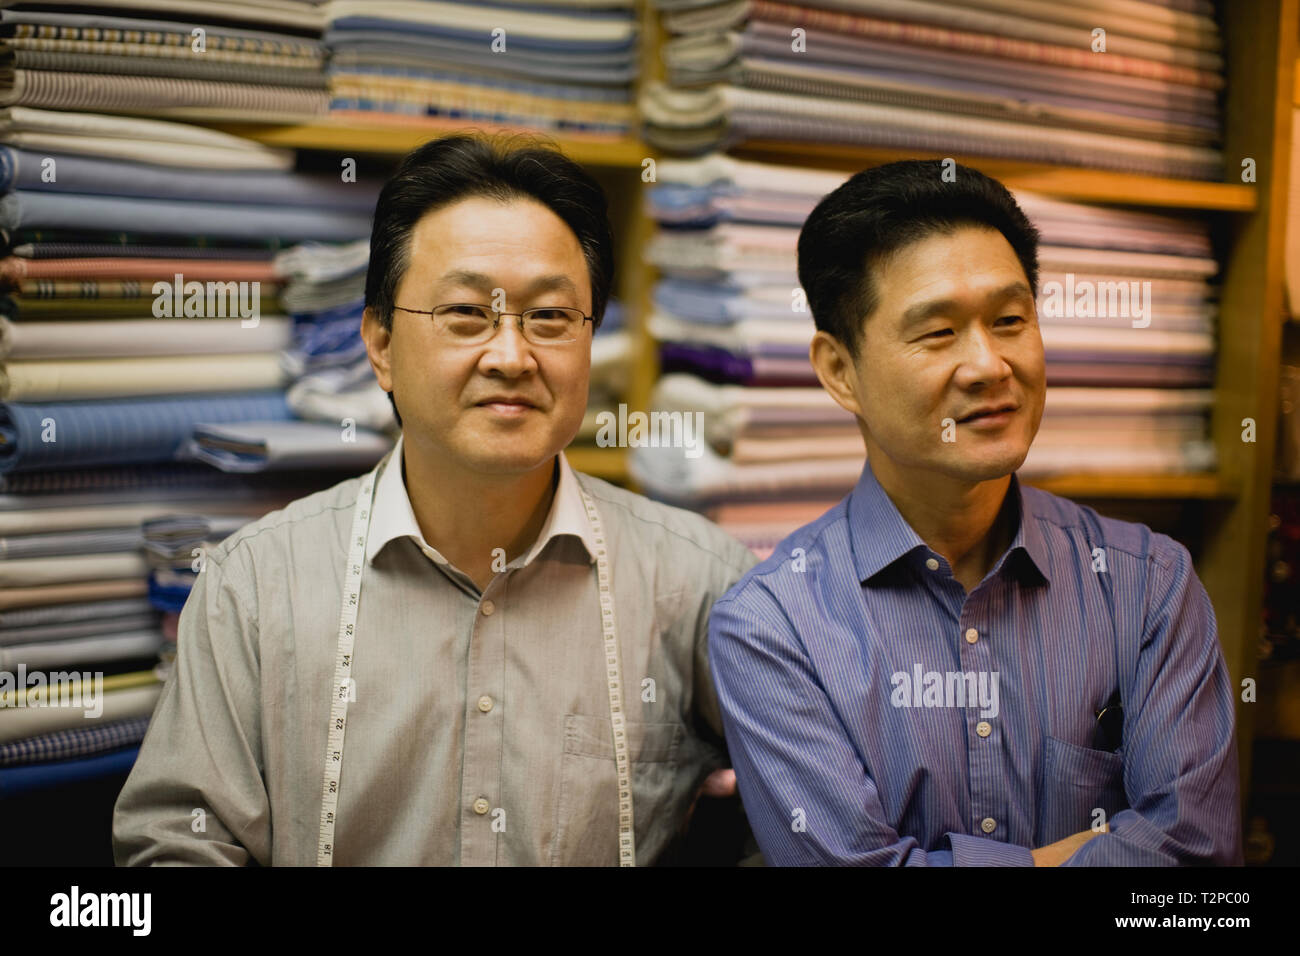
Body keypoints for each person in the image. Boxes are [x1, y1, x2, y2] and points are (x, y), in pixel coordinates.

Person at [113, 134, 758, 866]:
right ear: (381, 344)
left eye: (549, 317)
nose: (511, 356)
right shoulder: (256, 588)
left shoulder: (701, 582)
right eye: (465, 314)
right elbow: (173, 846)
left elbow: (807, 824)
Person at [707, 159, 1242, 866]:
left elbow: (1195, 863)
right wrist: (1086, 852)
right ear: (839, 370)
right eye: (937, 333)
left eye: (1010, 320)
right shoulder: (774, 628)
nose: (989, 365)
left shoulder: (1148, 586)